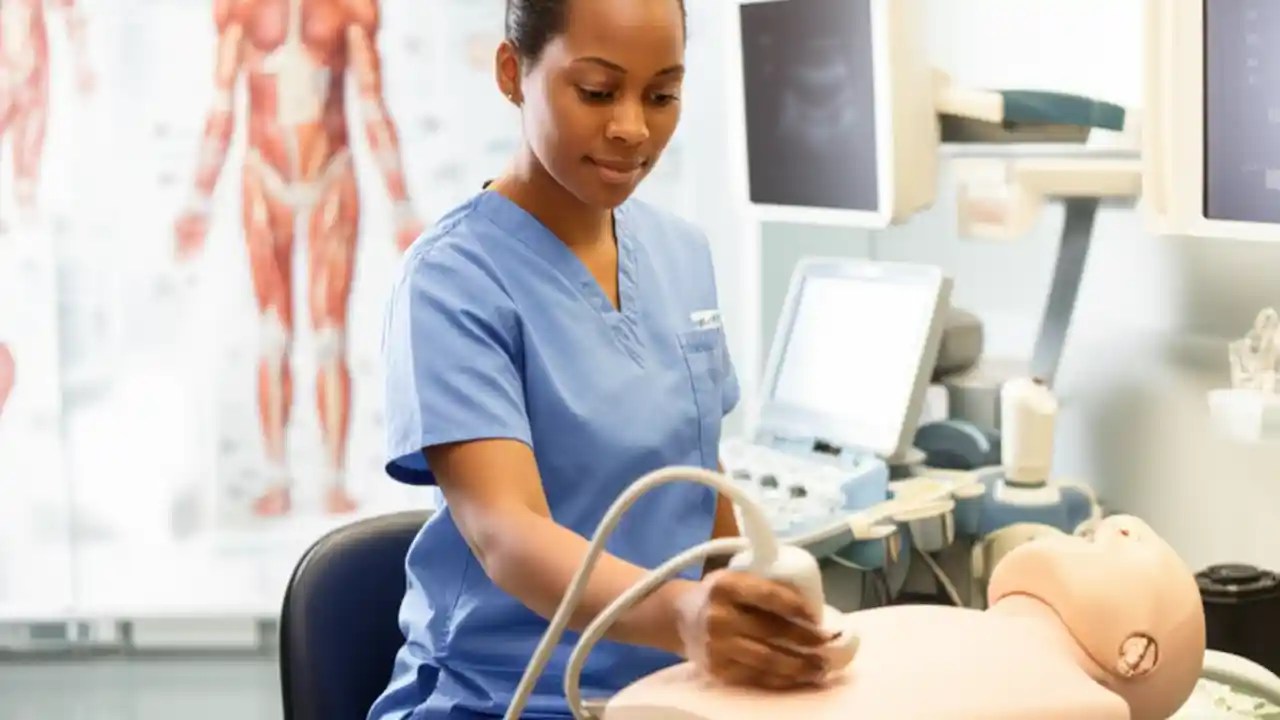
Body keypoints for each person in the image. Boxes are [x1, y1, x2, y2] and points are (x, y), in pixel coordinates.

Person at [370, 1, 834, 718]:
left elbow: (699, 474)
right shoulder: (452, 280)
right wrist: (681, 613)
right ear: (512, 73)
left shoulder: (682, 253)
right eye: (596, 91)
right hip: (507, 696)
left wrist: (754, 612)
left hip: (671, 695)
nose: (632, 128)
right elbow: (506, 533)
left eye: (662, 95)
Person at [174, 0, 425, 517]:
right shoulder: (241, 9)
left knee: (330, 336)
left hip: (330, 174)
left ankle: (333, 478)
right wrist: (198, 200)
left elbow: (372, 104)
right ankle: (276, 478)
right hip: (264, 178)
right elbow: (223, 106)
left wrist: (401, 204)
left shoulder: (350, 9)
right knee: (274, 333)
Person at [0, 0, 94, 223]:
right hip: (14, 71)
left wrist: (82, 64)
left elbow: (71, 12)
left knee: (28, 158)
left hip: (31, 72)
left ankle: (26, 211)